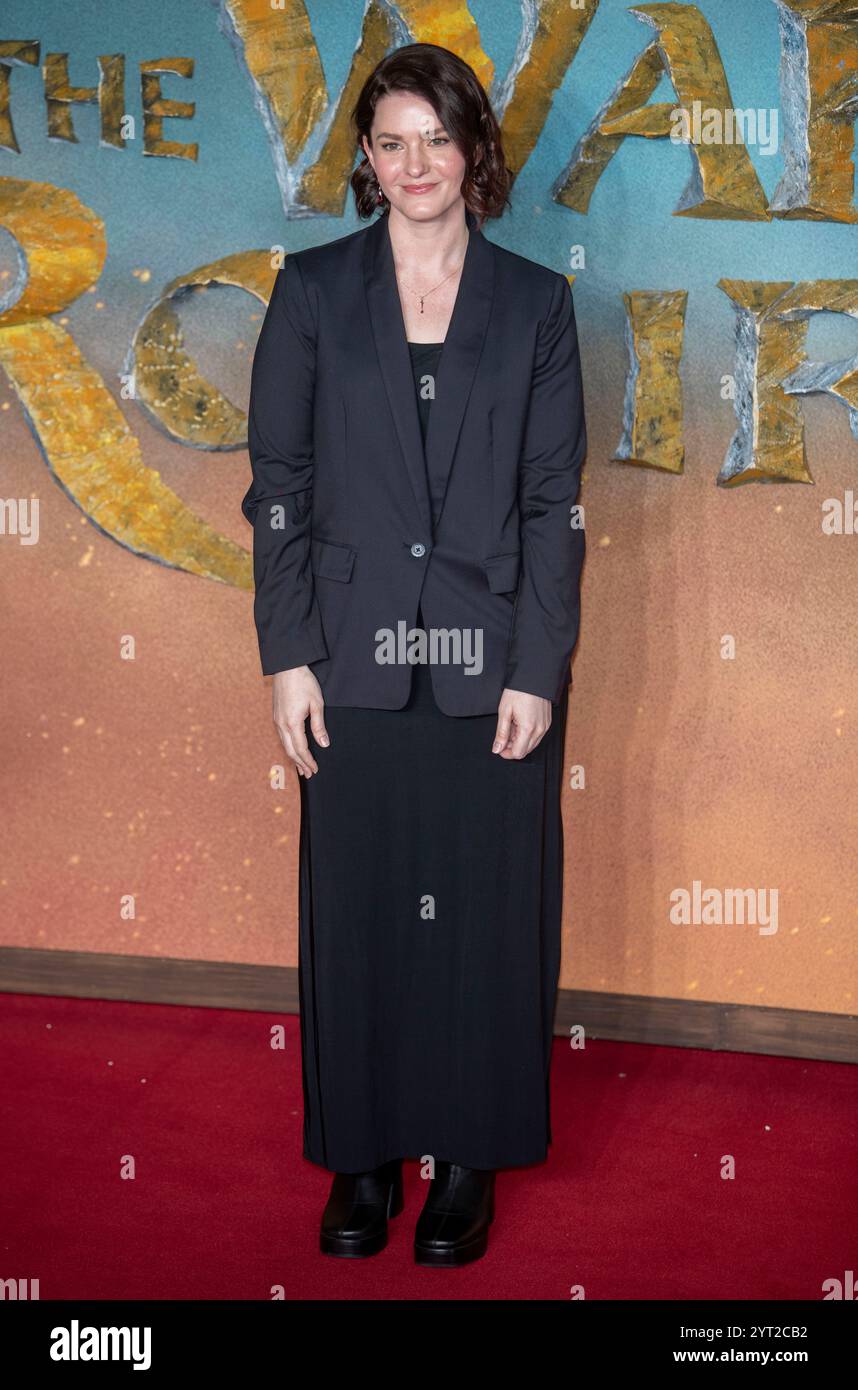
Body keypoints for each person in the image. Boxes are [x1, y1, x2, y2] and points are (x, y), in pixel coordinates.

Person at [241, 41, 586, 1268]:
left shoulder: (539, 304)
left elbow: (553, 502)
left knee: (488, 920)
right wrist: (289, 655)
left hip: (492, 661)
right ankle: (364, 1155)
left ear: (472, 152)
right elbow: (277, 485)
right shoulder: (313, 290)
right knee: (361, 912)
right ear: (367, 162)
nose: (414, 163)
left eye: (434, 138)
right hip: (350, 657)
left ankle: (468, 1161)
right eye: (390, 142)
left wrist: (537, 666)